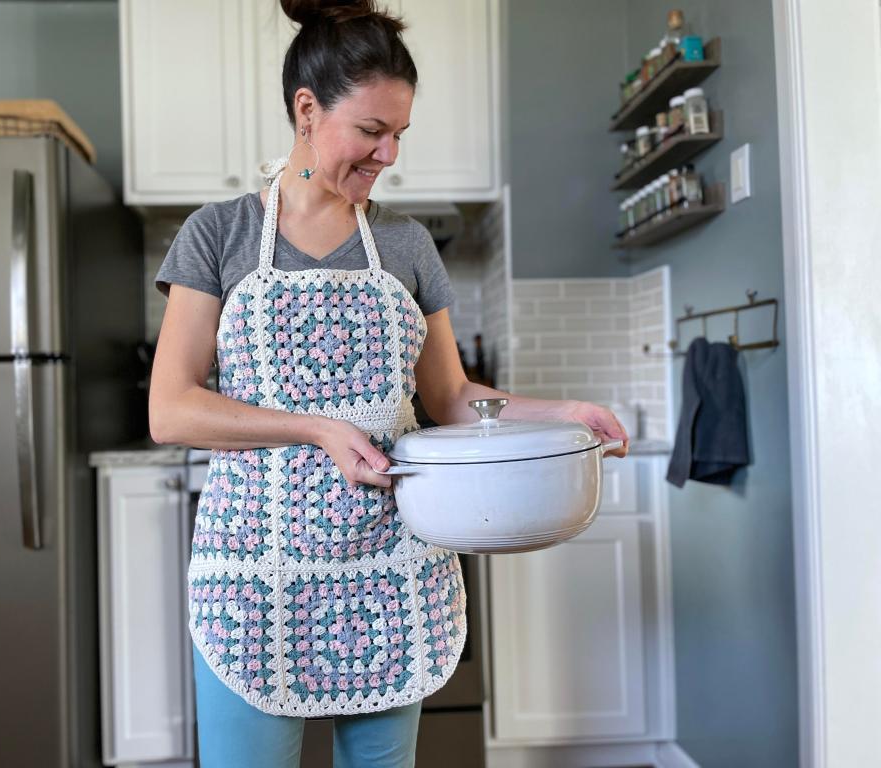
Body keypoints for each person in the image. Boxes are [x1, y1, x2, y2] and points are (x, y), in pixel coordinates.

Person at [149, 1, 629, 765]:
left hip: (387, 567)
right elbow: (171, 410)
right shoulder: (221, 233)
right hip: (255, 576)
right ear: (307, 111)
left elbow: (452, 398)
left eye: (399, 133)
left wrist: (561, 413)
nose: (389, 153)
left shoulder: (406, 245)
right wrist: (314, 427)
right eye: (372, 131)